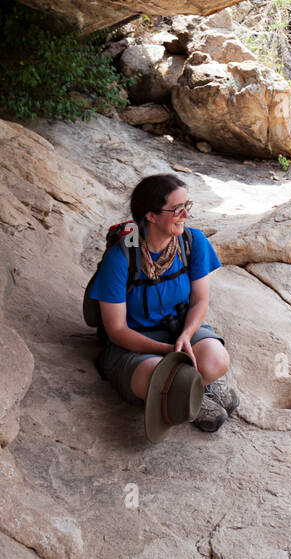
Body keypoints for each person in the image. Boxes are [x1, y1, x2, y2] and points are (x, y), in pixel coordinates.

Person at [91, 173, 239, 433]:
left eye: (187, 207)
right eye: (177, 210)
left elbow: (200, 300)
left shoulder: (193, 242)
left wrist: (185, 336)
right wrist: (166, 350)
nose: (186, 215)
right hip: (134, 344)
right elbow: (116, 330)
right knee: (161, 377)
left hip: (179, 330)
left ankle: (191, 388)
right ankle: (192, 390)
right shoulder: (121, 257)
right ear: (151, 215)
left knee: (216, 361)